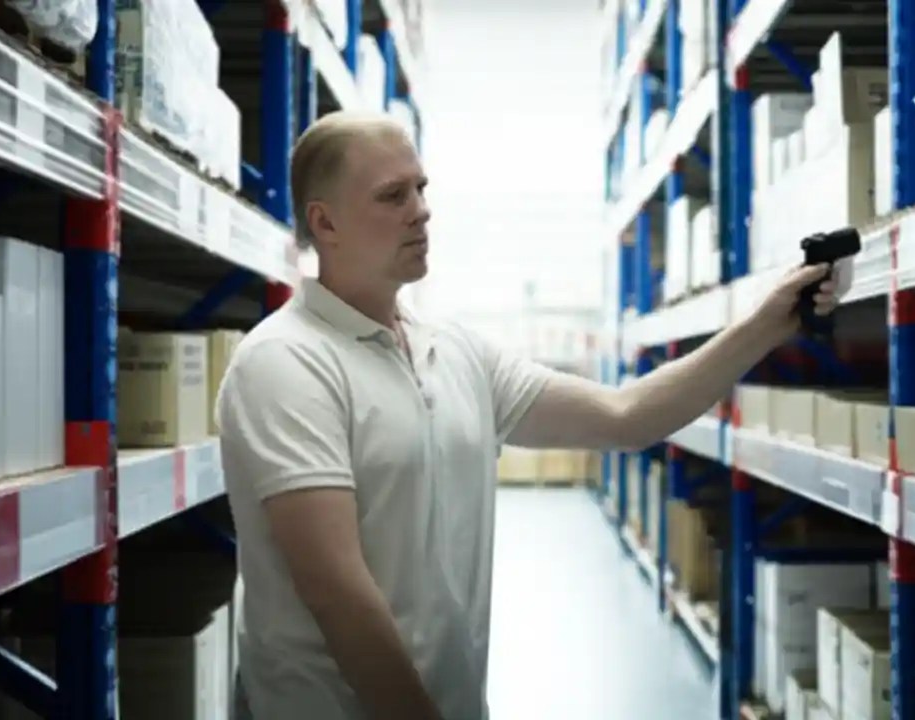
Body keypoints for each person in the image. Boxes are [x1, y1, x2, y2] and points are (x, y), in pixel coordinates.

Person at [216, 111, 839, 720]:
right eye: (392, 195)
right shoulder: (283, 364)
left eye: (422, 188)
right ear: (325, 223)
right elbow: (338, 593)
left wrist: (766, 322)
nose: (422, 210)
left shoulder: (453, 352)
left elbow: (624, 416)